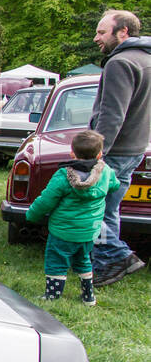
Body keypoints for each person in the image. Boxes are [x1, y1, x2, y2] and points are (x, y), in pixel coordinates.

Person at [88, 9, 151, 286]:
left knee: (93, 208)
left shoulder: (120, 63)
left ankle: (118, 256)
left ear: (122, 32)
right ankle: (105, 265)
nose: (96, 38)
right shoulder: (146, 60)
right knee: (109, 209)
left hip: (114, 151)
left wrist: (95, 153)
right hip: (135, 148)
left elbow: (112, 114)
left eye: (102, 32)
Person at [26, 130, 122, 305]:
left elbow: (47, 200)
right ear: (100, 154)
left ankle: (53, 295)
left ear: (72, 153)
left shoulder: (64, 176)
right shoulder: (106, 172)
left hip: (63, 231)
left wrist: (32, 214)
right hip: (88, 231)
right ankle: (88, 296)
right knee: (84, 259)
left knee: (57, 260)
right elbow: (115, 186)